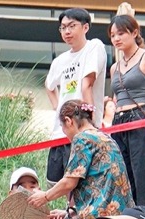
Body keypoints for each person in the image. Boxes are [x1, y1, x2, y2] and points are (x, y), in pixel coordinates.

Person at [26, 101, 132, 219]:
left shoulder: (82, 139)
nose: (64, 134)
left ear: (68, 121)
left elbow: (69, 182)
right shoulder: (105, 137)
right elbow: (102, 185)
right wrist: (70, 213)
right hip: (122, 216)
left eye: (63, 127)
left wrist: (45, 196)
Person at [102, 14, 145, 211]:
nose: (116, 39)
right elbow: (116, 97)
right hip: (118, 122)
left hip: (139, 118)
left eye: (121, 33)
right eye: (112, 35)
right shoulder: (115, 66)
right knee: (124, 176)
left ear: (134, 33)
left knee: (144, 175)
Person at [45, 8, 110, 182]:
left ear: (85, 27)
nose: (67, 31)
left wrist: (89, 125)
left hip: (83, 129)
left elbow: (86, 85)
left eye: (72, 26)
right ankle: (70, 210)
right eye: (63, 27)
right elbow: (49, 85)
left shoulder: (94, 46)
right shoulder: (60, 61)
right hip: (61, 131)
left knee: (85, 181)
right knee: (63, 181)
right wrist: (57, 107)